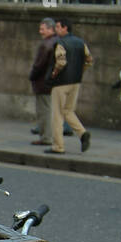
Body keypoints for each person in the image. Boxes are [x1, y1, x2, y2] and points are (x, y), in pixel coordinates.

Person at [45, 16, 92, 155]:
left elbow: (61, 61)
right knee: (68, 111)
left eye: (58, 27)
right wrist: (80, 70)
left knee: (57, 115)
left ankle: (58, 146)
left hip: (61, 82)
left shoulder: (60, 43)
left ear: (65, 28)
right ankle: (82, 133)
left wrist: (54, 73)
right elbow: (89, 60)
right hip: (75, 81)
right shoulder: (80, 42)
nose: (56, 29)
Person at [29, 16, 56, 145]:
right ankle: (48, 136)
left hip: (43, 82)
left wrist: (32, 75)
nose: (40, 31)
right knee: (49, 109)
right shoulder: (57, 42)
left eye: (43, 29)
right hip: (52, 82)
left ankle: (46, 137)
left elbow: (39, 65)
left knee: (44, 111)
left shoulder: (46, 45)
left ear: (51, 29)